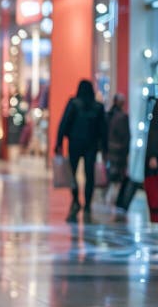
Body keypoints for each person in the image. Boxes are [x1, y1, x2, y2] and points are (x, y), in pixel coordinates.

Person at [55, 80, 106, 224]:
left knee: (72, 174)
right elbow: (103, 129)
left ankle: (76, 200)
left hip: (75, 144)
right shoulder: (98, 107)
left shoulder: (74, 104)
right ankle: (88, 205)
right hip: (91, 145)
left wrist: (59, 143)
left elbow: (64, 123)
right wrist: (104, 148)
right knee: (89, 176)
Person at [105, 93, 130, 218]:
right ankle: (114, 199)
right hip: (119, 151)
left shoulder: (109, 115)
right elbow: (126, 137)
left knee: (113, 174)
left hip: (111, 149)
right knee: (118, 176)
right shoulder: (122, 117)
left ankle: (111, 198)